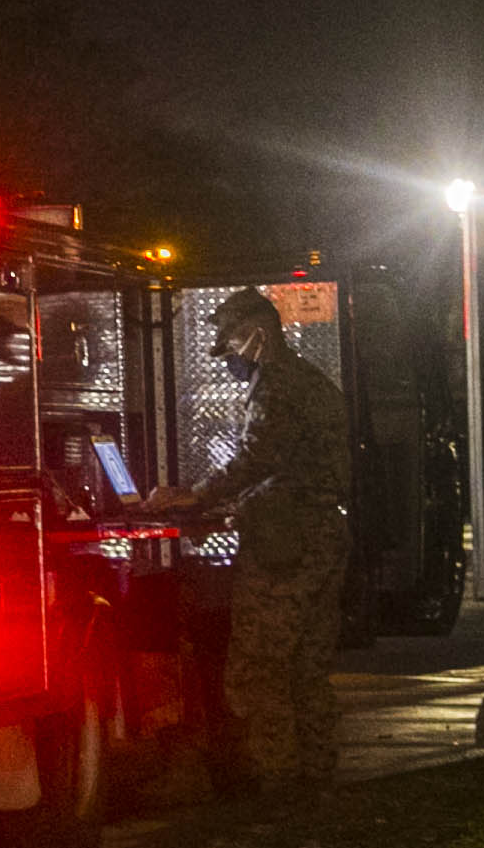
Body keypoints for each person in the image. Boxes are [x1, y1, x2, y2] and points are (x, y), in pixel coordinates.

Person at [147, 291, 350, 792]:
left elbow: (259, 457)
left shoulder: (276, 384)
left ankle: (276, 778)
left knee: (260, 666)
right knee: (307, 665)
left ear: (258, 331)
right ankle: (318, 775)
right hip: (319, 532)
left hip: (287, 540)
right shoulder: (309, 380)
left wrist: (194, 498)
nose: (232, 355)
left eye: (234, 341)